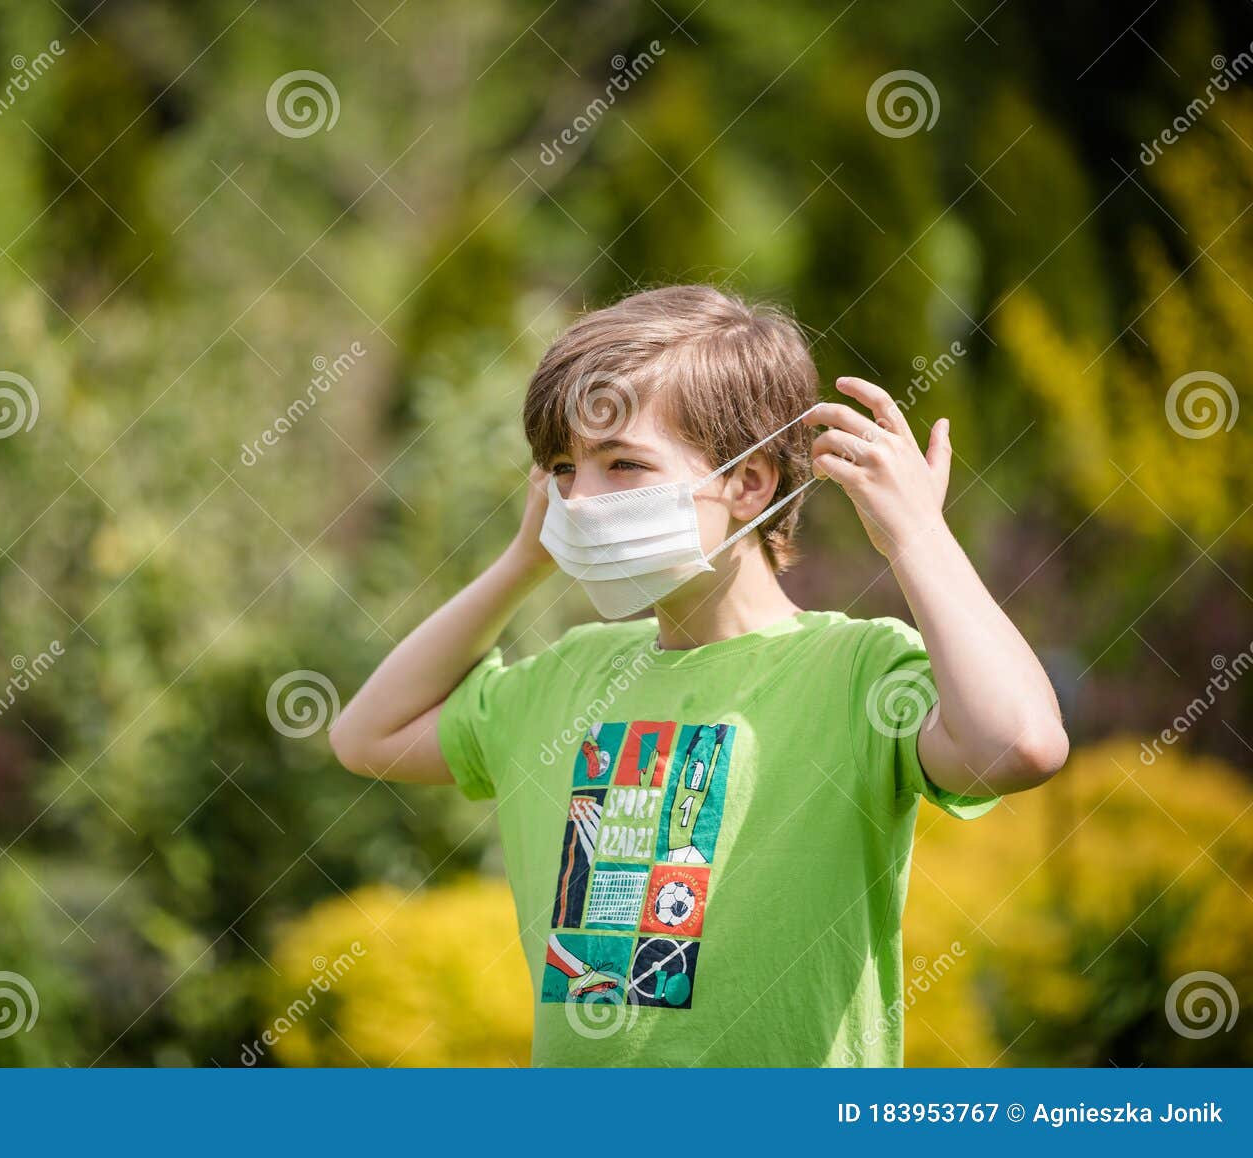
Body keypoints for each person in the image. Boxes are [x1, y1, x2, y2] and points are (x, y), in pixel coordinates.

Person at [328, 284, 1067, 1066]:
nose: (580, 501)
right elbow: (365, 735)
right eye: (562, 469)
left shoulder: (855, 673)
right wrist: (522, 562)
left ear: (748, 483)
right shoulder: (568, 676)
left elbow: (1017, 745)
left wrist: (918, 535)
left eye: (623, 464)